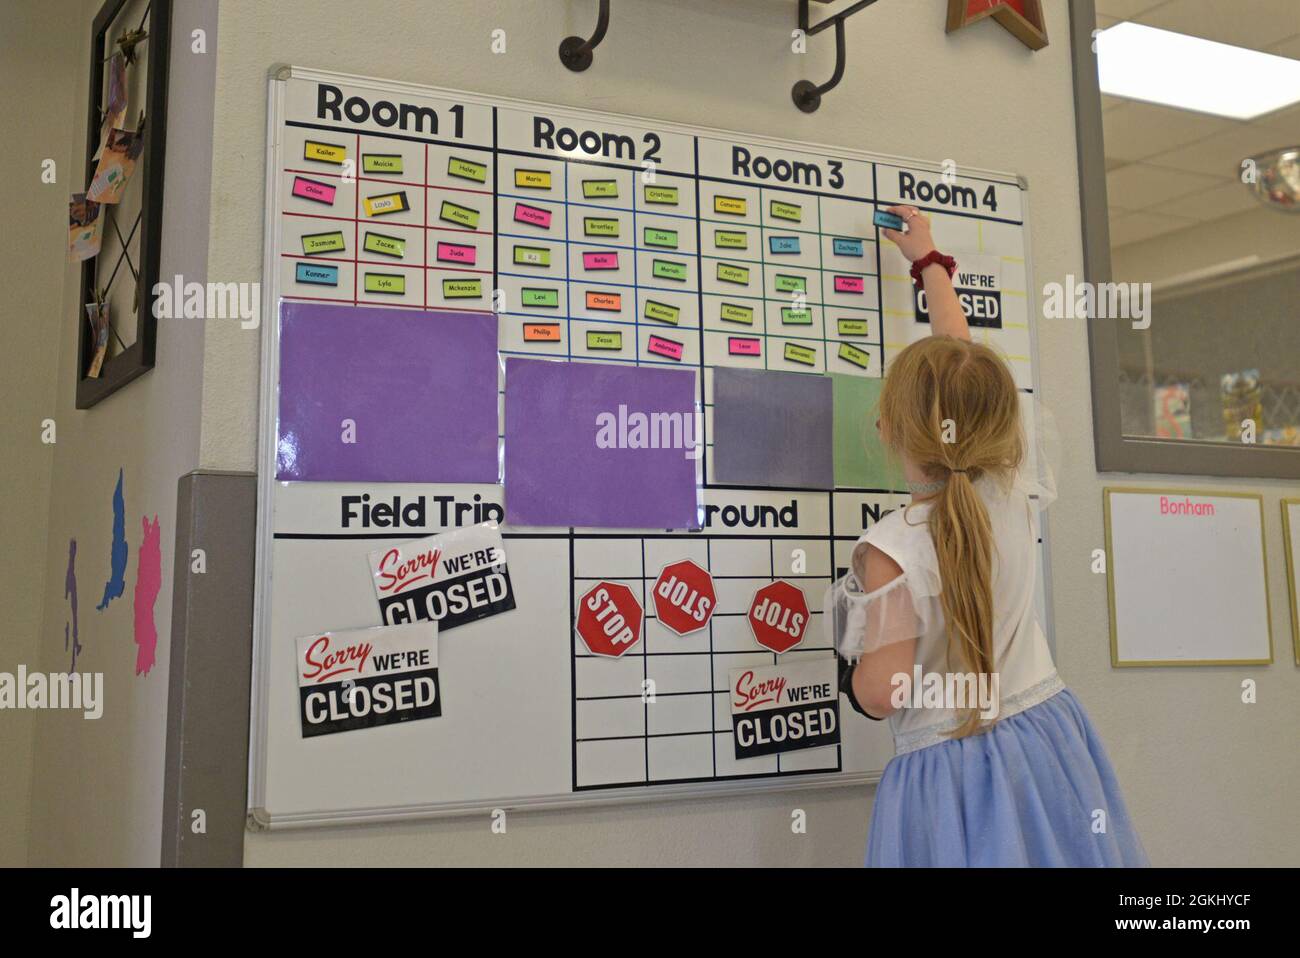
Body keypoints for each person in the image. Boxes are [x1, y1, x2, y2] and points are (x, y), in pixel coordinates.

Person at [828, 205, 1147, 867]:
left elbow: (884, 692)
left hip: (951, 779)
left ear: (889, 429)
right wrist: (929, 265)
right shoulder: (1010, 485)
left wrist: (850, 662)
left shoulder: (890, 548)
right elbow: (965, 370)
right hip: (1045, 746)